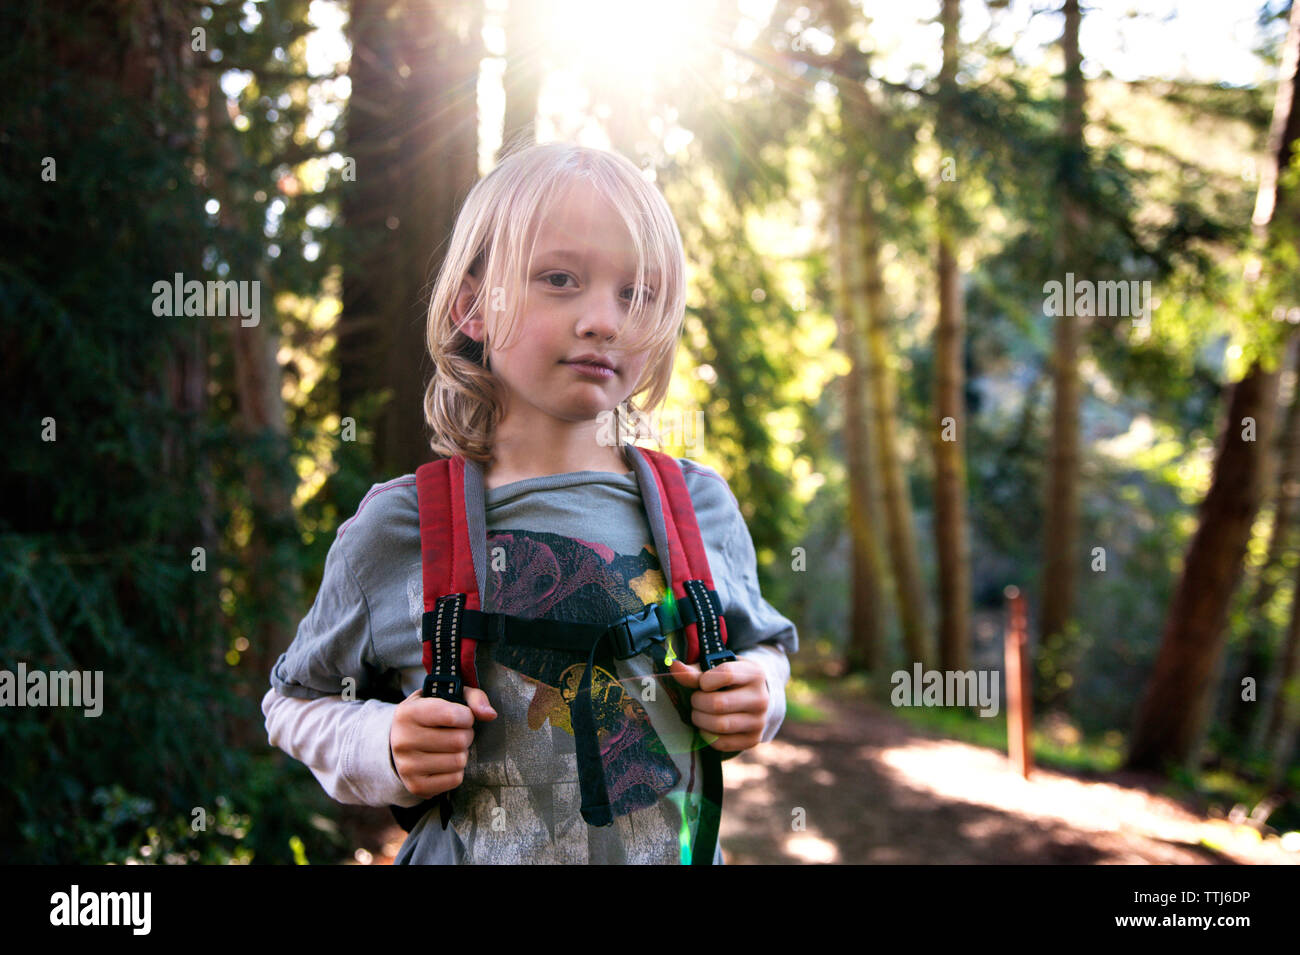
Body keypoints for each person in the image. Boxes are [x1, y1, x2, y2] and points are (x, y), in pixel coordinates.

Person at [263, 141, 798, 864]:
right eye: (560, 278)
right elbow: (293, 702)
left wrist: (760, 691)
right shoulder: (404, 525)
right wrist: (381, 740)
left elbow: (764, 646)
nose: (604, 319)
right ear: (474, 307)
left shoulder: (694, 507)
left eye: (635, 293)